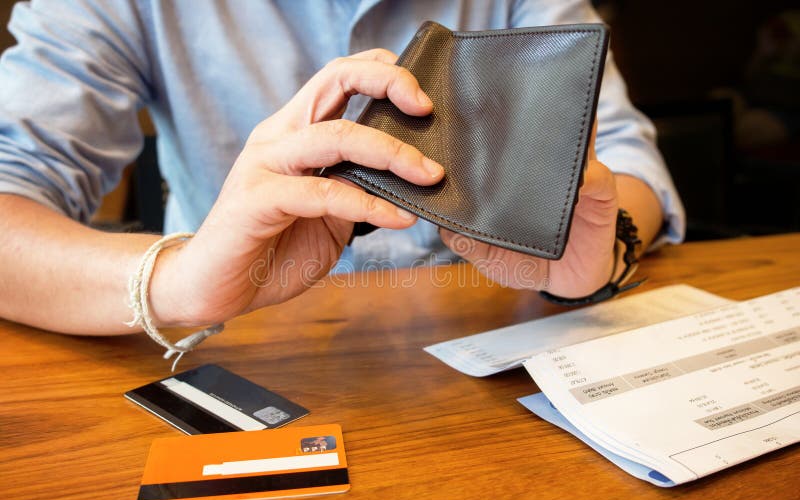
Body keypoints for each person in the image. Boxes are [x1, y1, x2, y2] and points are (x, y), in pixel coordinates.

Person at [0, 1, 684, 343]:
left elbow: (624, 156)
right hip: (238, 353)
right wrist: (178, 280)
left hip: (499, 349)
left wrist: (605, 245)